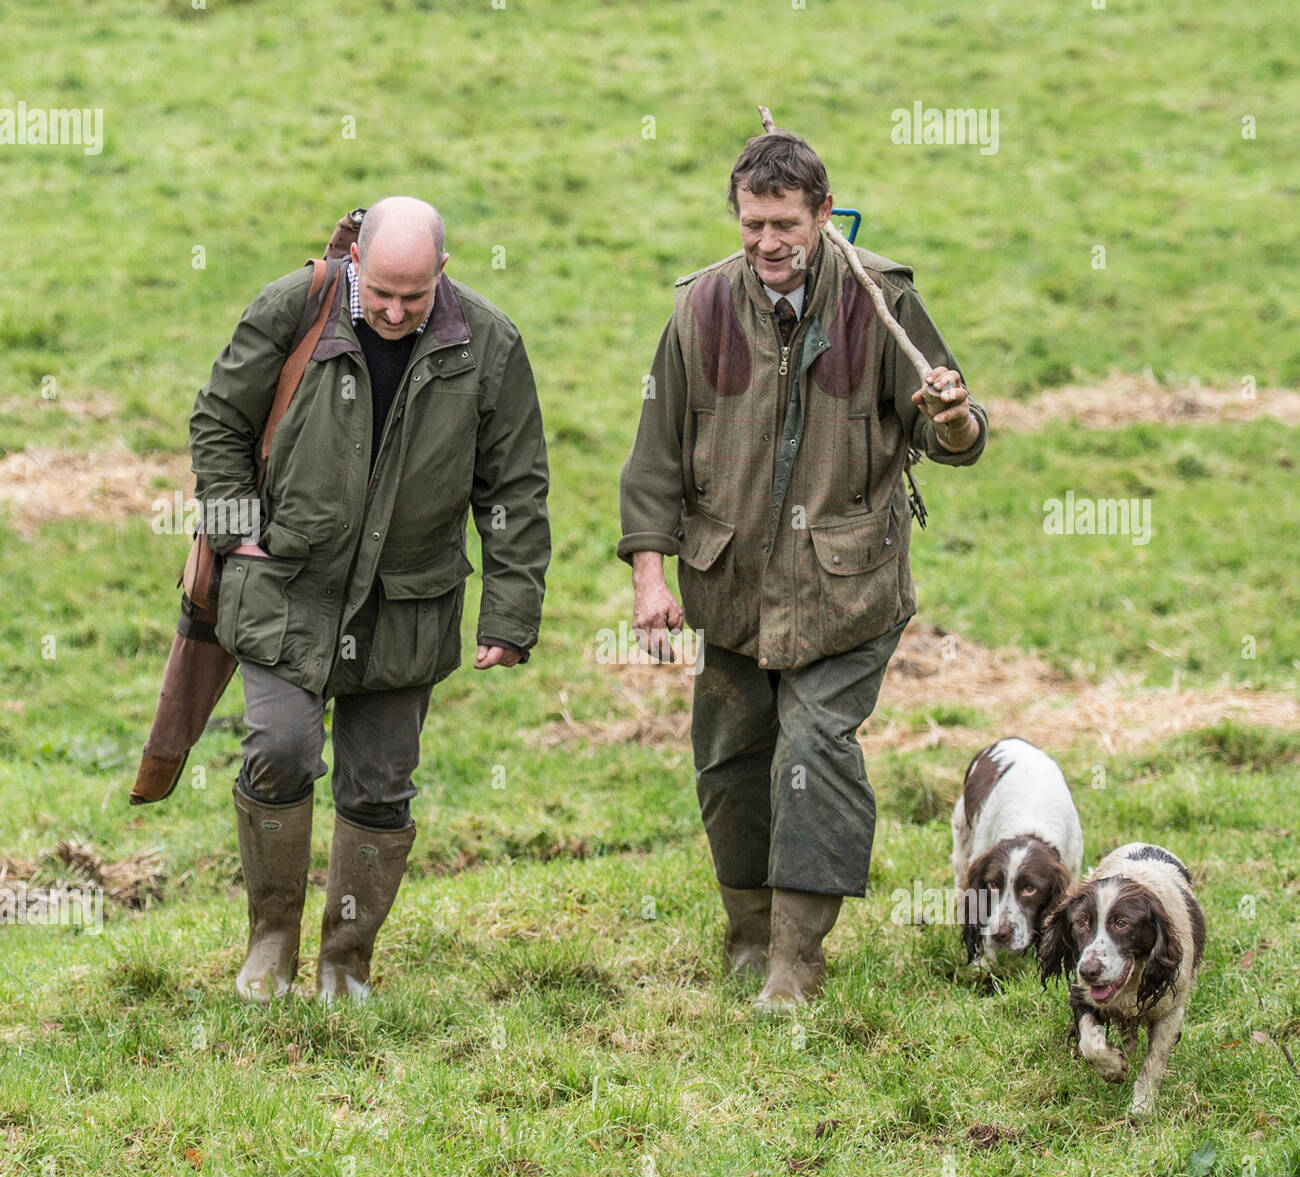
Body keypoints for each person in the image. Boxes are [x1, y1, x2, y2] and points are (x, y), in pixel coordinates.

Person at [618, 131, 987, 1011]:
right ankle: (747, 936)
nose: (768, 242)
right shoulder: (700, 310)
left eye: (785, 223)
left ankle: (795, 961)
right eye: (752, 224)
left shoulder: (882, 299)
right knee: (730, 762)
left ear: (825, 214)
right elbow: (653, 459)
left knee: (814, 751)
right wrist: (649, 578)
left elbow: (956, 440)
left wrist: (955, 414)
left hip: (849, 591)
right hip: (730, 588)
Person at [191, 196, 550, 1003]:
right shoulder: (295, 307)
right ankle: (271, 943)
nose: (392, 311)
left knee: (380, 787)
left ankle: (345, 963)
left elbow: (515, 487)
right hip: (286, 586)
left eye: (413, 297)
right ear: (357, 263)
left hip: (408, 605)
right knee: (279, 750)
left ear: (443, 275)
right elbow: (218, 418)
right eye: (380, 291)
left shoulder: (488, 344)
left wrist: (511, 613)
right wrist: (230, 524)